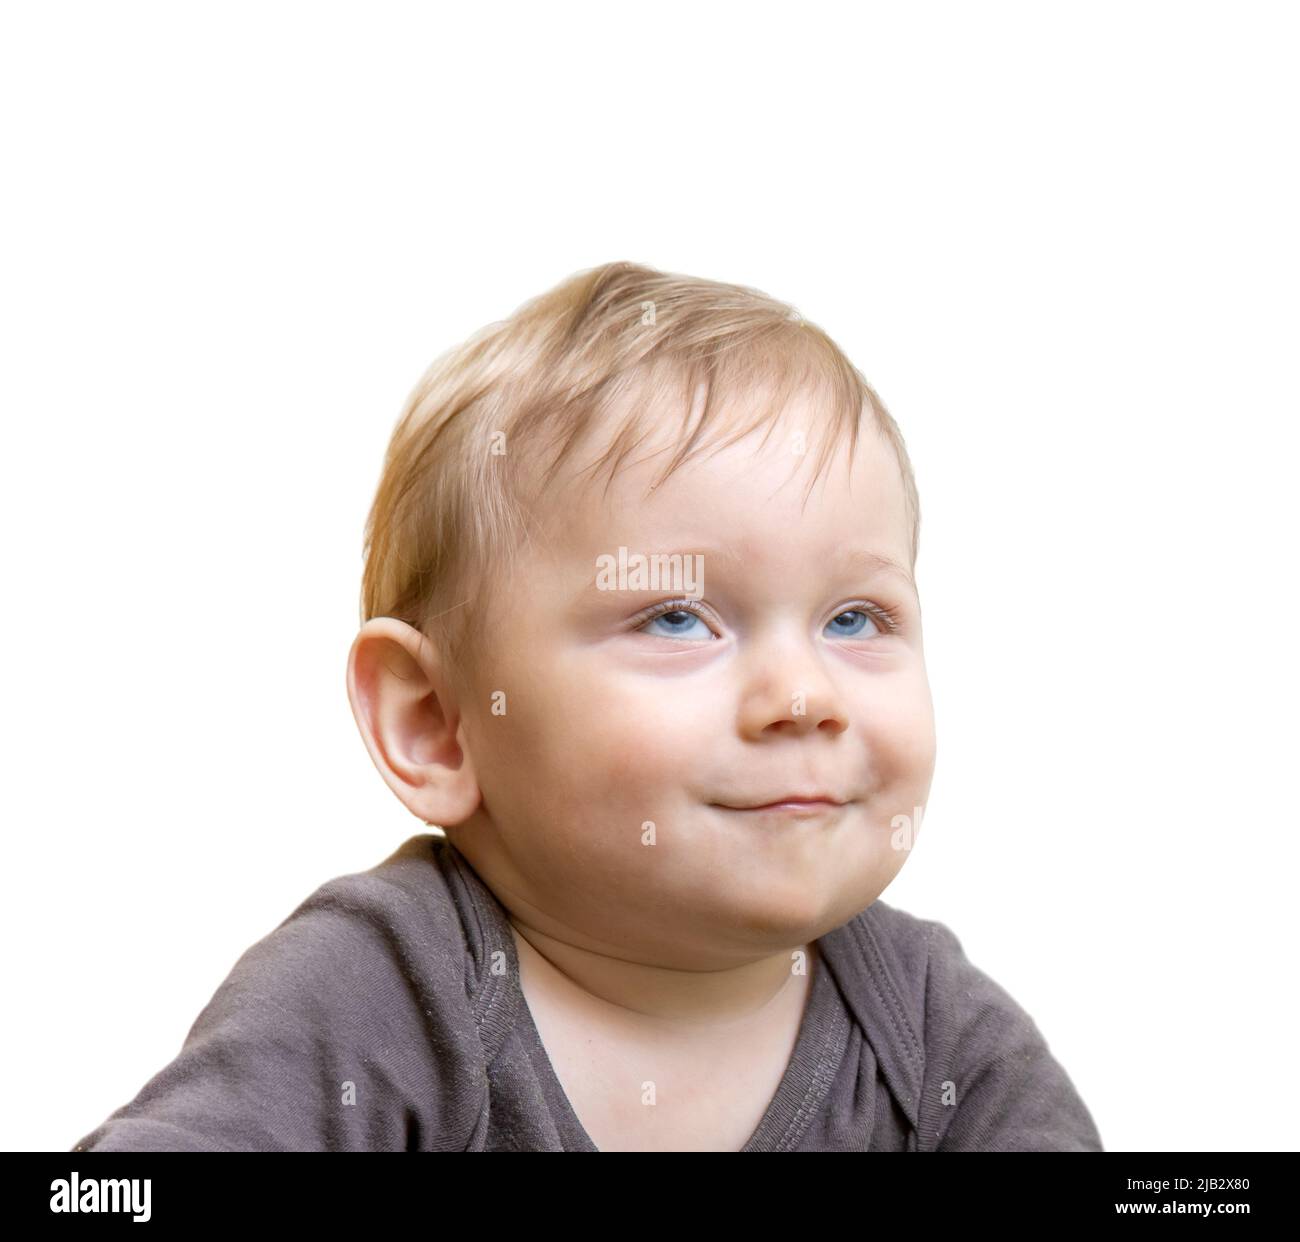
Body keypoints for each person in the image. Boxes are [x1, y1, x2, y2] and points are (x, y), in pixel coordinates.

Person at [72, 261, 1103, 1151]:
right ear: (435, 722)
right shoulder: (380, 991)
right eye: (674, 619)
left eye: (854, 619)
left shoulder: (925, 1022)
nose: (802, 696)